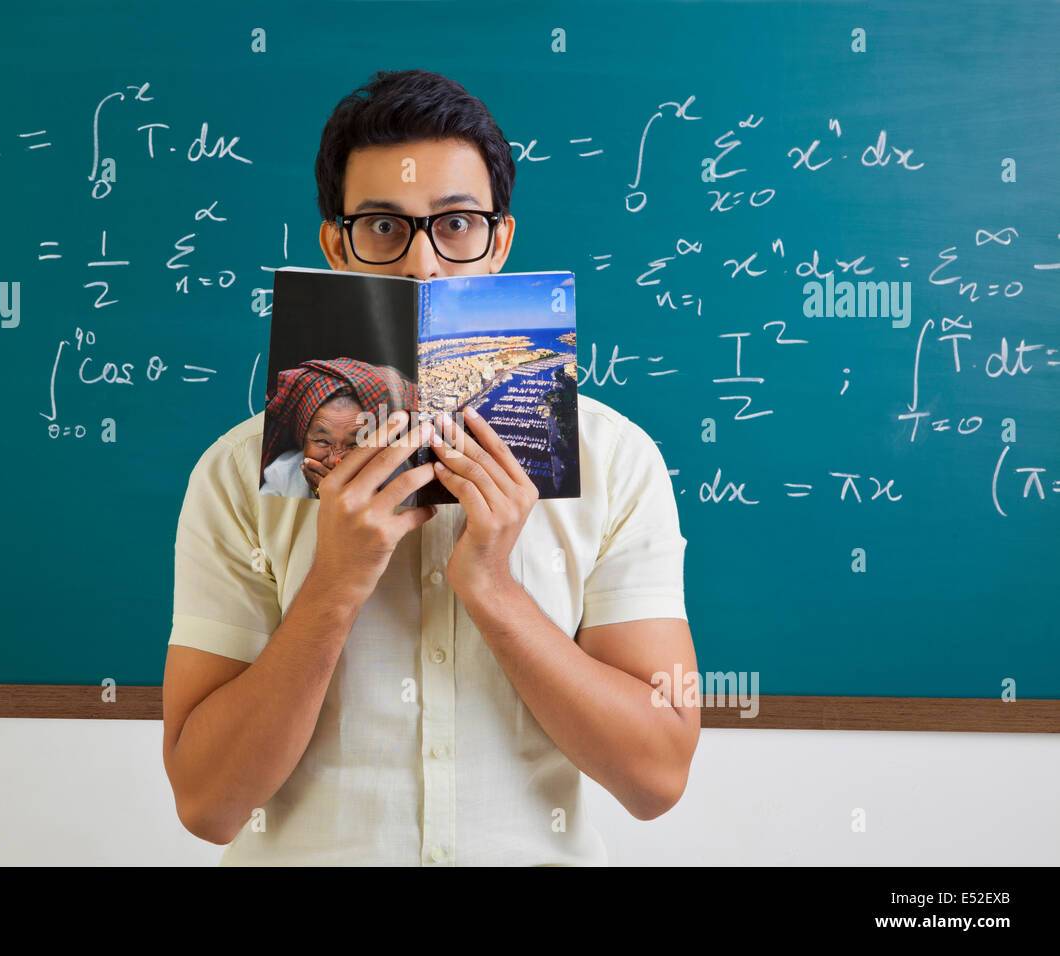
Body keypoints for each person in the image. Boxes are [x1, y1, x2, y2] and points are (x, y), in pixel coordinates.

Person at [162, 69, 699, 865]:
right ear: (336, 244)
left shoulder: (614, 458)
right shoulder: (243, 472)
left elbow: (656, 776)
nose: (421, 266)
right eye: (383, 227)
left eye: (455, 225)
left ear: (499, 242)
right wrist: (335, 584)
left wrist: (492, 587)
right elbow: (208, 805)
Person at [259, 358, 418, 499]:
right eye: (322, 441)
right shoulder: (283, 475)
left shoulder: (399, 480)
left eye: (355, 444)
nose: (334, 460)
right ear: (303, 440)